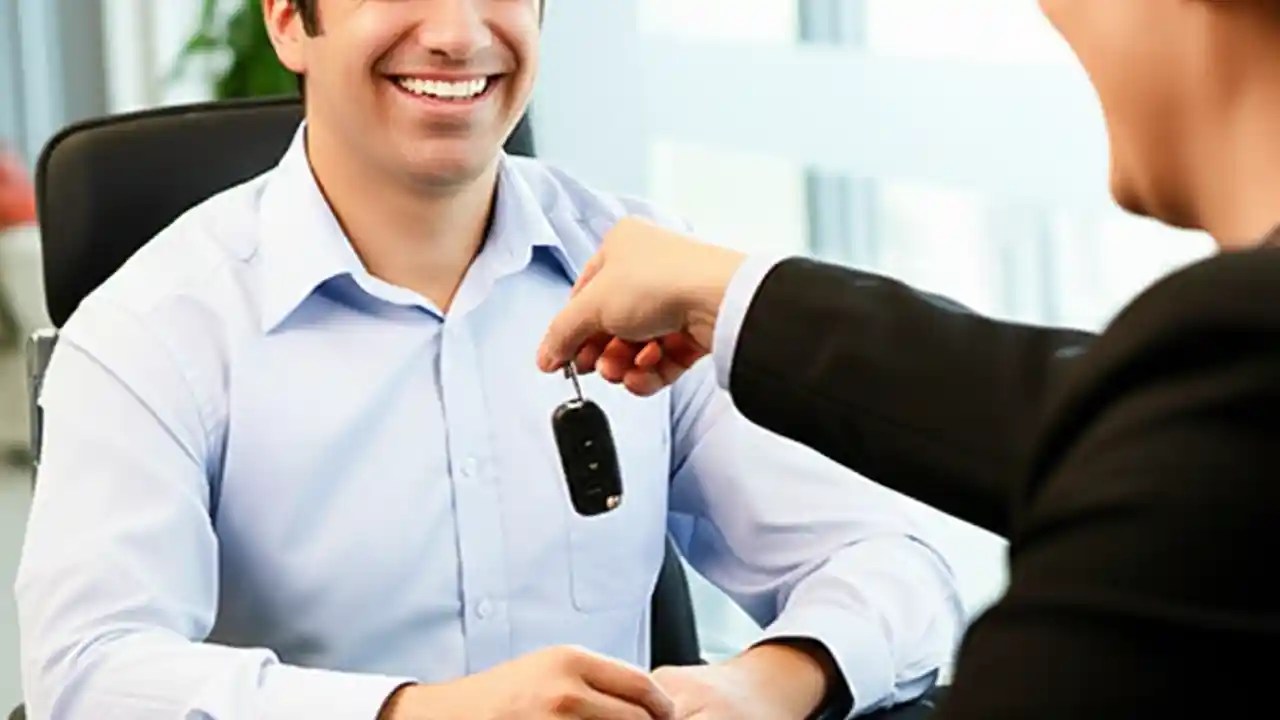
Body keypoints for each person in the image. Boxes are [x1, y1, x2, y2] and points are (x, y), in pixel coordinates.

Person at [14, 1, 964, 719]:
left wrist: (762, 685)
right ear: (288, 21)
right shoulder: (157, 325)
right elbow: (88, 670)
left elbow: (897, 566)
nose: (459, 34)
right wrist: (421, 713)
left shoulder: (646, 267)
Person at [536, 1, 1280, 718]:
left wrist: (783, 676)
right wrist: (734, 300)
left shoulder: (1226, 365)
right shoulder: (1217, 373)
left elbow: (1168, 439)